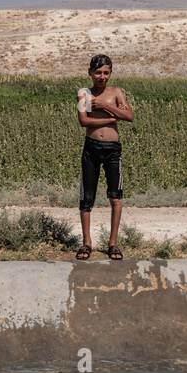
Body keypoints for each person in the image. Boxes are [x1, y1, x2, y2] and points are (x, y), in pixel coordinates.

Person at [75, 54, 134, 261]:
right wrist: (112, 117)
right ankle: (86, 243)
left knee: (115, 196)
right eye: (98, 72)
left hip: (113, 149)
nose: (102, 76)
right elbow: (84, 121)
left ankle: (113, 243)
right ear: (90, 72)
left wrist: (105, 106)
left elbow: (129, 116)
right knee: (86, 198)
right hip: (91, 148)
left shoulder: (116, 92)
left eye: (106, 72)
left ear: (110, 73)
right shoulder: (84, 93)